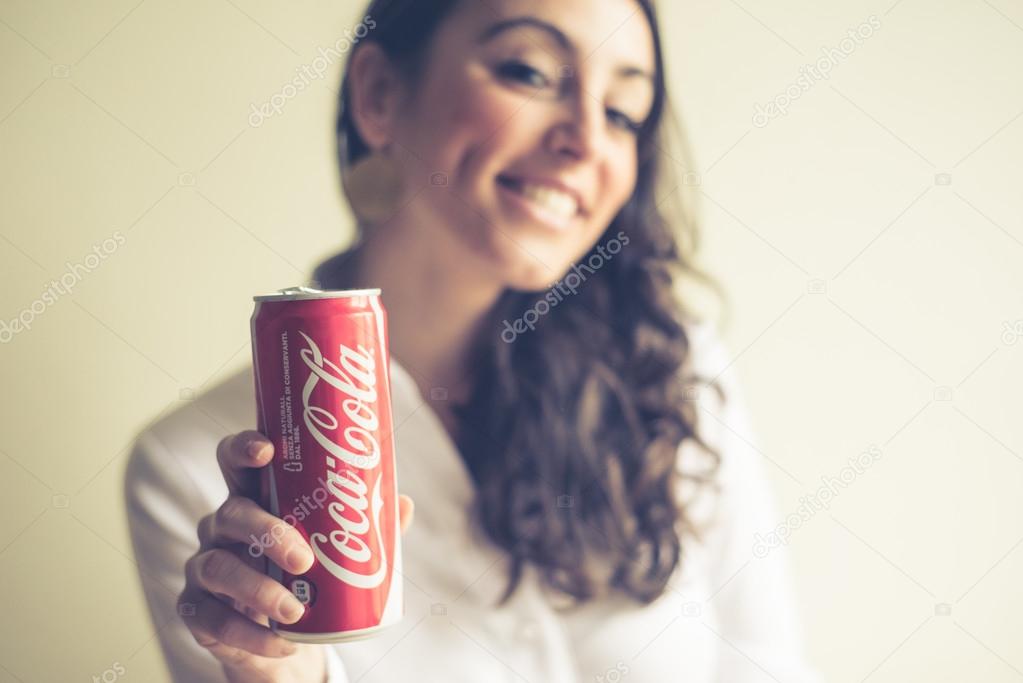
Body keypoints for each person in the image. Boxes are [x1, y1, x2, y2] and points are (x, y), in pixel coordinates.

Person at [125, 0, 820, 681]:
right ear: (379, 95)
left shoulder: (674, 371)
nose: (584, 137)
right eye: (529, 73)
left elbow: (767, 664)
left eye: (621, 113)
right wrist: (289, 673)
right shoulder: (191, 470)